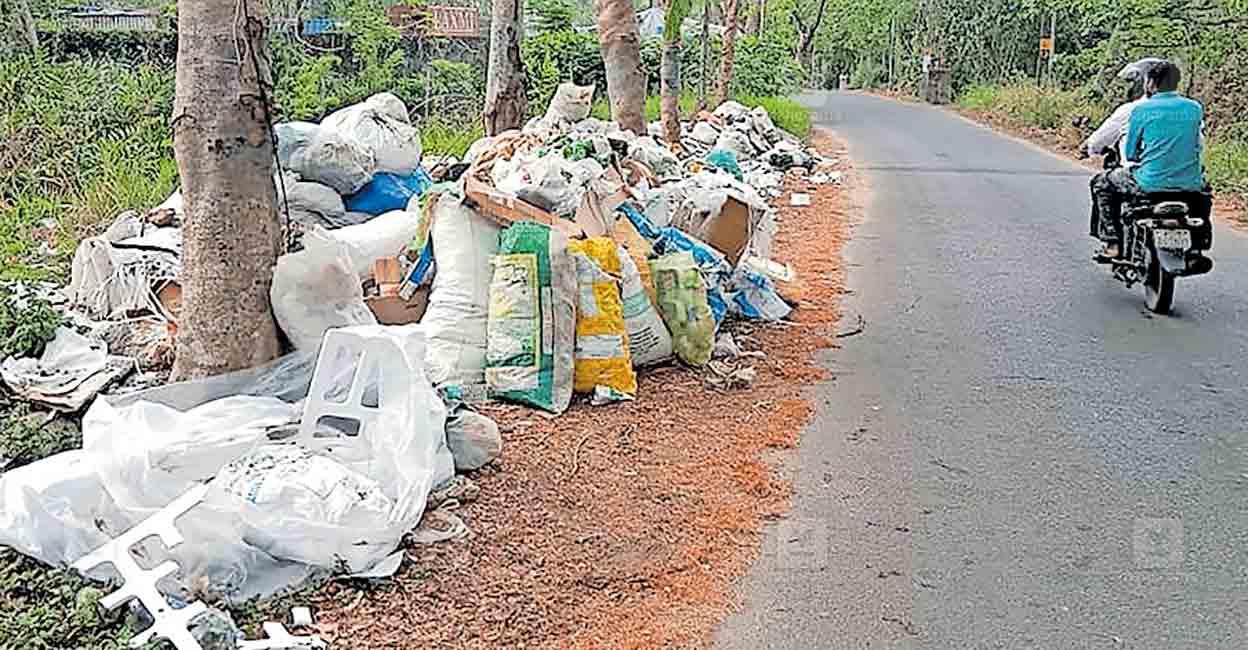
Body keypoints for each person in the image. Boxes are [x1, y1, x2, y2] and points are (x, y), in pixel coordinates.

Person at [1089, 61, 1204, 258]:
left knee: (1101, 183)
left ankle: (1112, 243)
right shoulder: (1194, 108)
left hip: (1149, 182)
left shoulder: (1141, 110)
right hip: (1190, 183)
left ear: (1149, 83)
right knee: (1205, 194)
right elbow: (1198, 145)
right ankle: (1197, 245)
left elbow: (1130, 153)